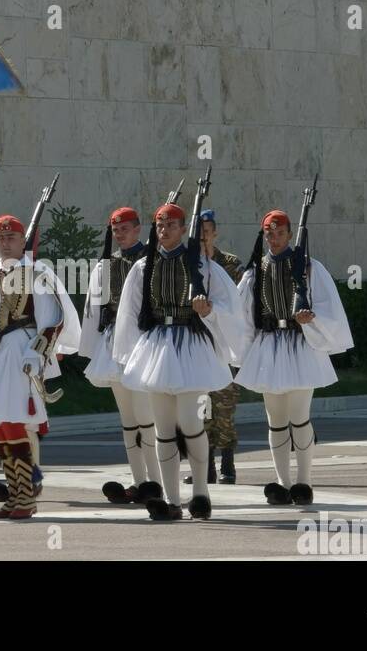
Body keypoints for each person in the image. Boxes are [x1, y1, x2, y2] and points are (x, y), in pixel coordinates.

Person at [113, 203, 247, 521]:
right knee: (163, 429)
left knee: (190, 422)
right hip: (158, 346)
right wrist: (128, 354)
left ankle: (200, 492)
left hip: (192, 346)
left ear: (184, 228)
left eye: (171, 225)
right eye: (160, 225)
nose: (164, 230)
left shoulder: (203, 265)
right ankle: (172, 500)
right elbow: (130, 312)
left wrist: (209, 311)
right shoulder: (144, 266)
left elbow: (231, 307)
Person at [0, 215, 80, 519]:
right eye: (0, 238)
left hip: (18, 350)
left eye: (11, 238)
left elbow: (52, 319)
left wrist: (38, 354)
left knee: (13, 422)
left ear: (24, 241)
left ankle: (26, 498)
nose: (5, 243)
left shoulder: (36, 272)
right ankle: (16, 494)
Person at [232, 209, 353, 506]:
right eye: (269, 233)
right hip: (270, 345)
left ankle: (304, 481)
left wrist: (311, 318)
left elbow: (328, 307)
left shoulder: (309, 268)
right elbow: (243, 317)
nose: (274, 238)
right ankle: (283, 482)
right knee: (275, 420)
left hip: (300, 346)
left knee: (299, 418)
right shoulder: (255, 272)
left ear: (289, 234)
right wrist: (243, 353)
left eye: (279, 232)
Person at [79, 207, 162, 505]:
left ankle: (157, 483)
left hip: (141, 342)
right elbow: (94, 306)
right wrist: (89, 347)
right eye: (116, 229)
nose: (120, 233)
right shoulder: (108, 264)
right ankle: (140, 482)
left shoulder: (151, 260)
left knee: (145, 418)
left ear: (138, 229)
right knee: (128, 420)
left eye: (125, 228)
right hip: (114, 343)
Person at [183, 209, 244, 485]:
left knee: (225, 406)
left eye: (207, 231)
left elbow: (240, 305)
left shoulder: (231, 264)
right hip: (195, 344)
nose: (203, 236)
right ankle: (203, 467)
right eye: (198, 232)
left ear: (215, 233)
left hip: (223, 343)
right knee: (199, 407)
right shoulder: (185, 263)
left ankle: (228, 465)